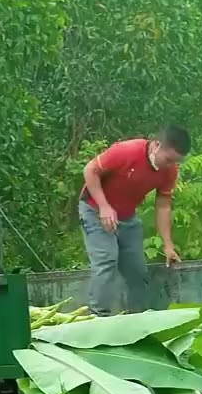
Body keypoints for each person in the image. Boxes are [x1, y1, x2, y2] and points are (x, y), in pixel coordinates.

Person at [79, 125, 190, 315]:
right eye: (168, 159)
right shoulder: (126, 151)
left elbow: (163, 205)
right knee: (107, 260)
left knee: (137, 270)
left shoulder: (169, 171)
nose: (170, 165)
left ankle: (138, 317)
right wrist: (104, 207)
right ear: (157, 145)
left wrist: (167, 244)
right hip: (95, 209)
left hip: (127, 217)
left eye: (175, 161)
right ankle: (98, 317)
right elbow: (90, 170)